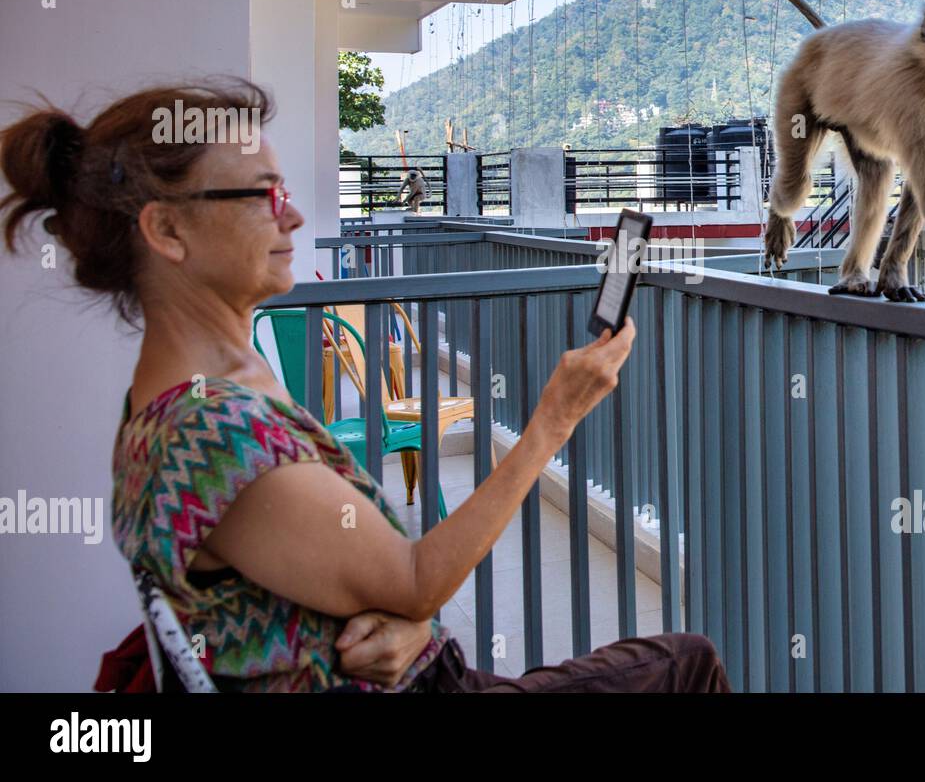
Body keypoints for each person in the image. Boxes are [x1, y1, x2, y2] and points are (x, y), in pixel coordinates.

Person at [0, 79, 729, 694]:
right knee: (686, 665)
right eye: (262, 194)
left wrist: (390, 624)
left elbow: (302, 575)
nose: (292, 213)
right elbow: (412, 577)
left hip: (415, 669)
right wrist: (552, 421)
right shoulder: (210, 429)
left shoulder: (196, 388)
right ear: (166, 231)